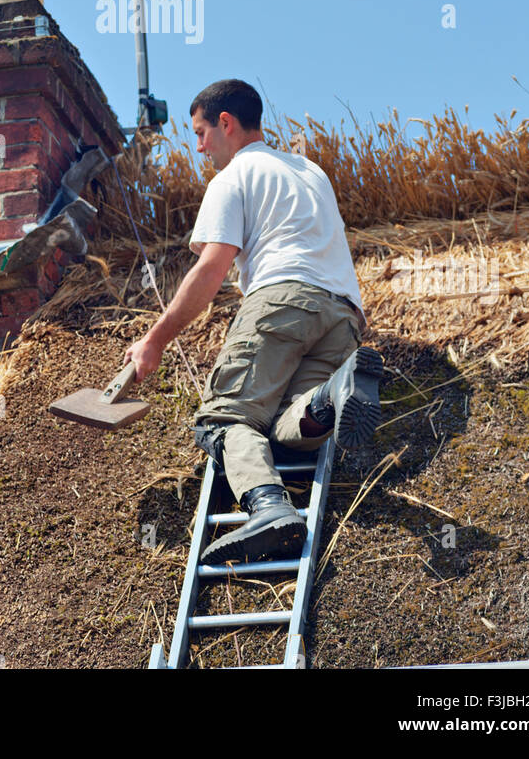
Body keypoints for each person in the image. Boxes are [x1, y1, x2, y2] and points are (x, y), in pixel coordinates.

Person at [124, 78, 383, 566]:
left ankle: (267, 507)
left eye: (200, 132)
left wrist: (154, 340)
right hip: (344, 316)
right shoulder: (311, 172)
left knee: (223, 421)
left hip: (281, 303)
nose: (199, 146)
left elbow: (211, 270)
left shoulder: (233, 177)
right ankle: (332, 396)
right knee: (287, 423)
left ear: (226, 123)